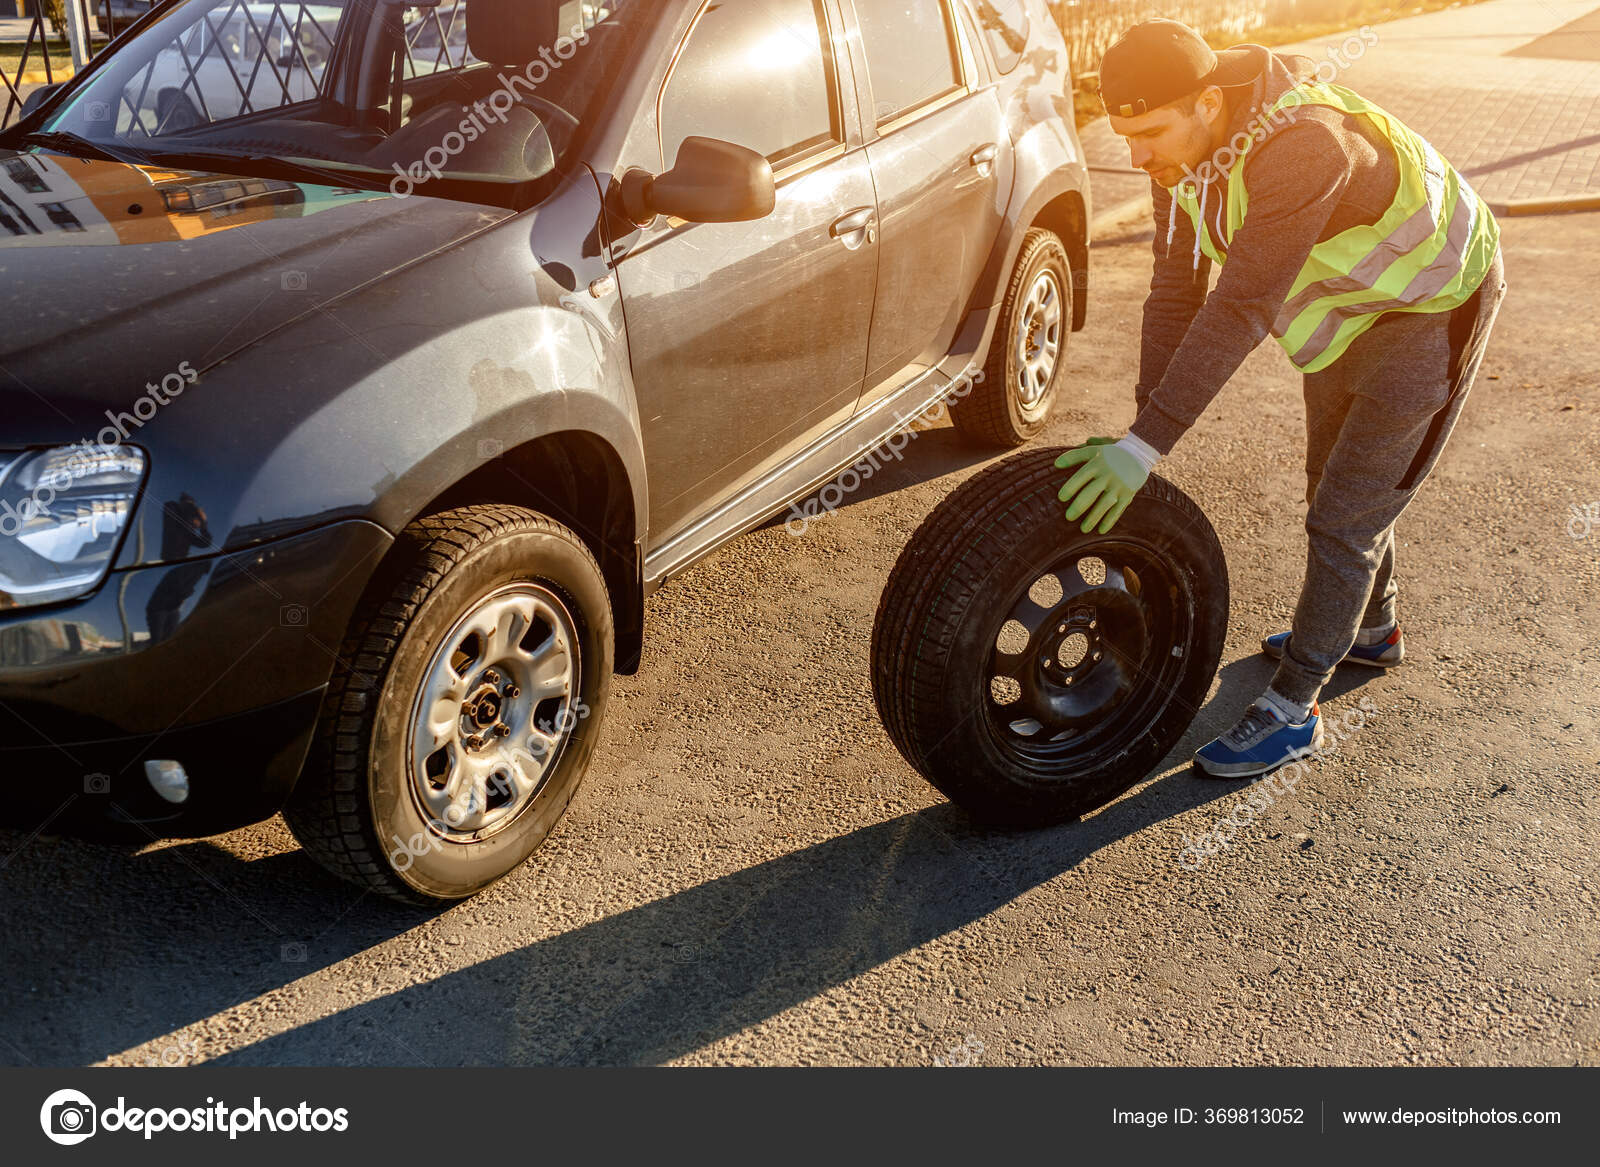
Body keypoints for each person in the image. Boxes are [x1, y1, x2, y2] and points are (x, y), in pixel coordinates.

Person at [1054, 19, 1506, 779]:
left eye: (1150, 134)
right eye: (1124, 136)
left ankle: (1296, 708)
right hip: (1353, 309)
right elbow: (1175, 292)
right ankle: (1374, 628)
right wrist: (1142, 434)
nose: (1135, 158)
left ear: (1206, 103)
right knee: (1325, 482)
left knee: (1346, 514)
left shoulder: (1304, 147)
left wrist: (1145, 447)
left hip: (1433, 303)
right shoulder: (1185, 158)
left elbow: (1239, 307)